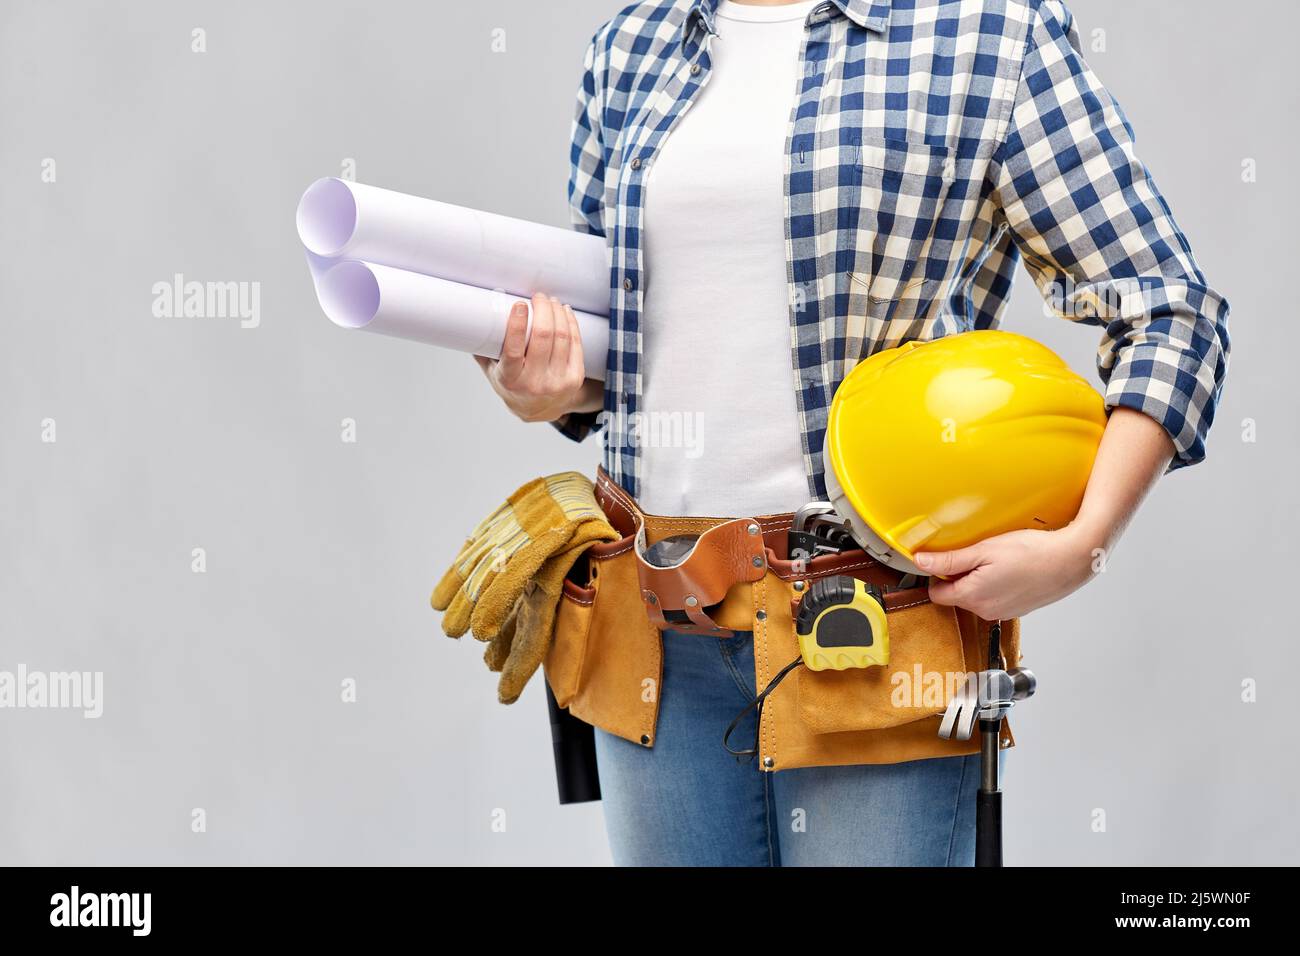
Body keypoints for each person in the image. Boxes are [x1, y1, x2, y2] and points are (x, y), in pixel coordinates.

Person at [475, 0, 1229, 866]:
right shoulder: (633, 41)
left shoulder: (985, 32)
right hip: (652, 636)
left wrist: (1085, 541)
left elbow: (1172, 310)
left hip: (869, 634)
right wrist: (549, 384)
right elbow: (624, 332)